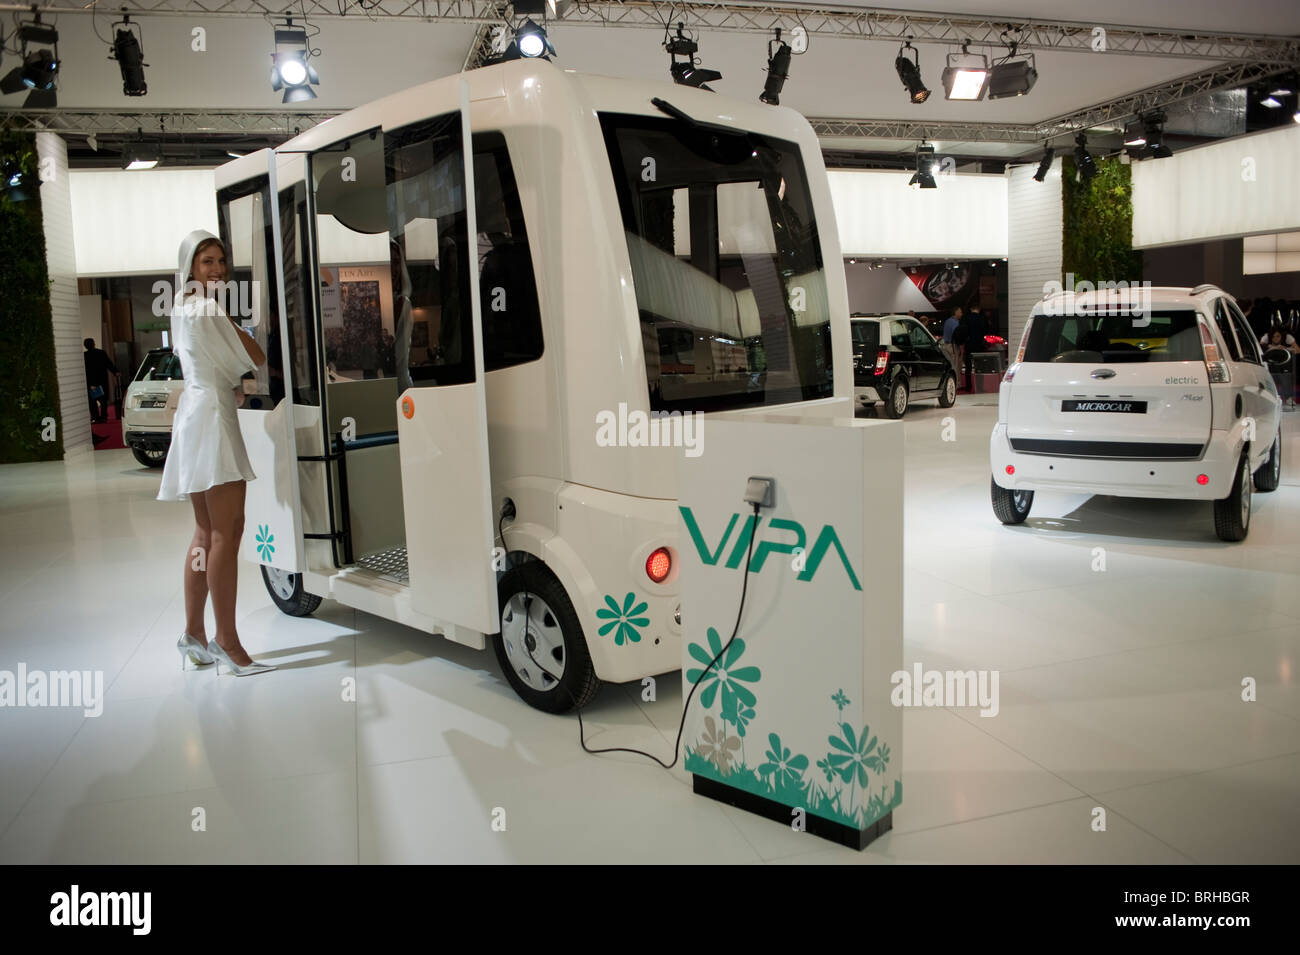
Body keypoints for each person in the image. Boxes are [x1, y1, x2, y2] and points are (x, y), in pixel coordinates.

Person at [157, 230, 275, 677]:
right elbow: (256, 357)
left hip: (194, 414)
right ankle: (227, 642)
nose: (218, 269)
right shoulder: (208, 308)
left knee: (205, 532)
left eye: (221, 260)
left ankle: (194, 634)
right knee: (228, 531)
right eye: (207, 262)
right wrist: (235, 324)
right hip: (212, 417)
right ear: (190, 267)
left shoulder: (181, 307)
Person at [83, 338, 118, 423]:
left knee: (92, 401)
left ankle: (95, 417)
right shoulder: (101, 353)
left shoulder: (84, 355)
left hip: (90, 381)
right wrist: (115, 372)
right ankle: (103, 417)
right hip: (101, 380)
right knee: (102, 400)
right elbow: (108, 363)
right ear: (94, 344)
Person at [960, 302, 987, 391]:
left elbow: (963, 331)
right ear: (978, 309)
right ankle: (980, 387)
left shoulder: (966, 318)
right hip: (979, 345)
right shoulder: (982, 318)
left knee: (968, 367)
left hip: (969, 345)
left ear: (971, 309)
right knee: (979, 367)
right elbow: (986, 331)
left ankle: (969, 387)